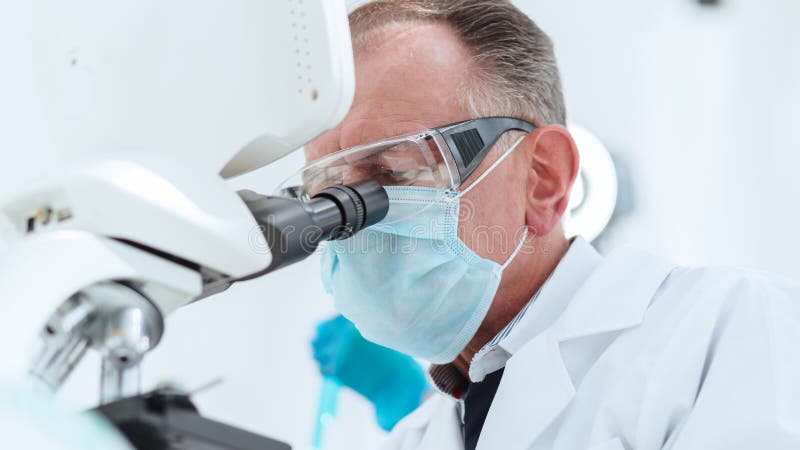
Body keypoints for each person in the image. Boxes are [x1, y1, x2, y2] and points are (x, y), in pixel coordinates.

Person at [307, 1, 800, 449]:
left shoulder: (729, 332)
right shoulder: (415, 438)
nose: (352, 223)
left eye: (393, 172)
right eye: (327, 192)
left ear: (543, 179)